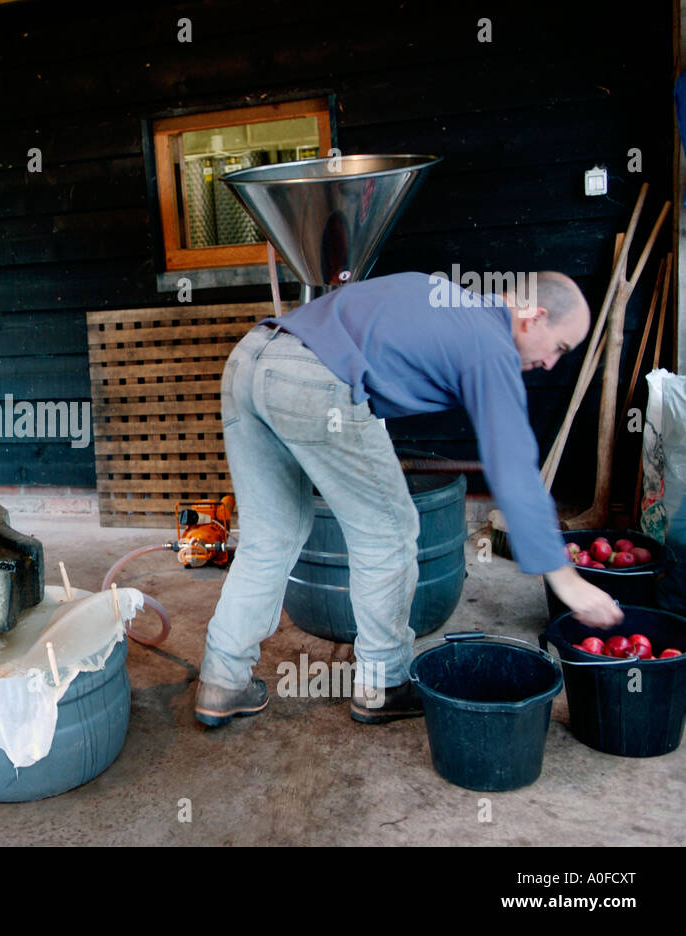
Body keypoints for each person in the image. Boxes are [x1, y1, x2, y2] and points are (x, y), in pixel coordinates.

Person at [193, 271, 624, 728]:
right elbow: (513, 466)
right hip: (313, 380)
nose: (553, 365)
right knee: (390, 535)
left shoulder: (441, 296)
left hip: (252, 358)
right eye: (559, 348)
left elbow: (367, 344)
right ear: (533, 318)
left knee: (269, 538)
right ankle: (383, 684)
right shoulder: (489, 342)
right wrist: (567, 582)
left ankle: (223, 680)